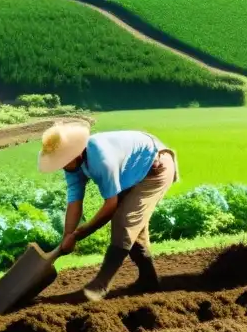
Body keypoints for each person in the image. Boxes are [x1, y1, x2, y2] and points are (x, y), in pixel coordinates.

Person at [38, 122, 179, 301]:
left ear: (76, 153)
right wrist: (67, 235)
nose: (61, 166)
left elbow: (110, 206)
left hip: (155, 168)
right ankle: (149, 280)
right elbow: (74, 201)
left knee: (124, 221)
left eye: (62, 160)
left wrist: (79, 234)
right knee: (134, 231)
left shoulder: (100, 157)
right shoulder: (72, 165)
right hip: (132, 174)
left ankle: (100, 285)